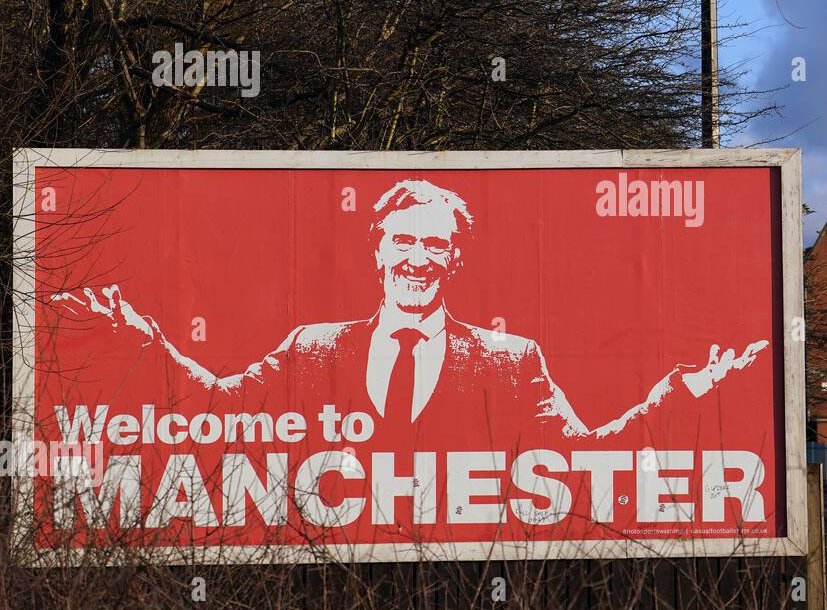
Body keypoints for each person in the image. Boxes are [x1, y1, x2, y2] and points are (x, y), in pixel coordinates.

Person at [51, 179, 768, 446]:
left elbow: (585, 459)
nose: (417, 257)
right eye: (403, 240)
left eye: (434, 243)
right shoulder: (312, 348)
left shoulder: (509, 360)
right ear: (377, 250)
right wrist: (145, 343)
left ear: (455, 260)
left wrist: (683, 392)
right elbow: (218, 412)